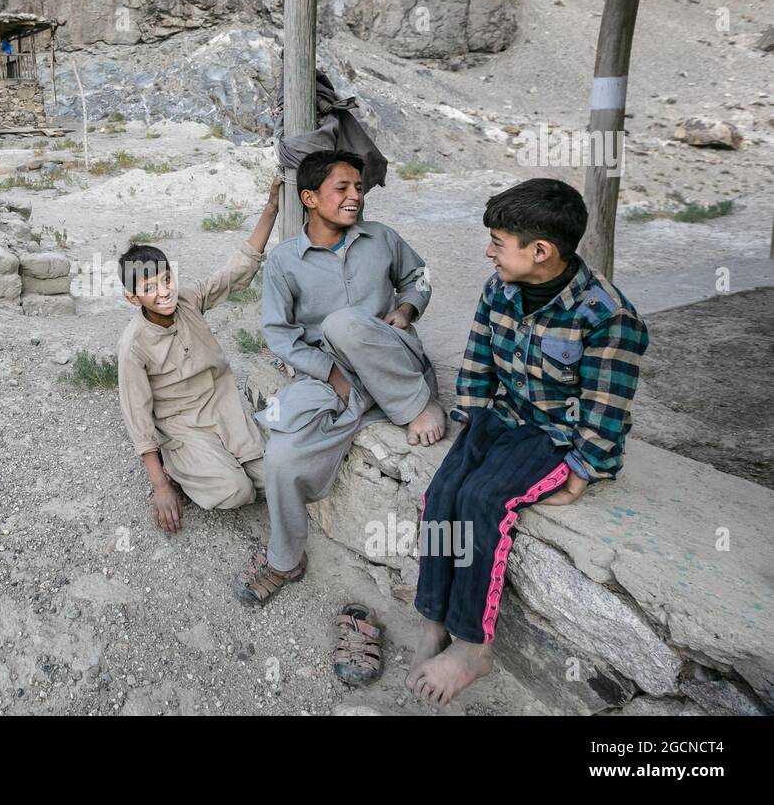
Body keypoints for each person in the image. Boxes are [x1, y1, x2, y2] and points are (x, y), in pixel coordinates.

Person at [407, 178, 649, 706]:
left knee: (482, 501)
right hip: (505, 419)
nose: (488, 251)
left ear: (540, 251)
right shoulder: (499, 289)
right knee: (443, 492)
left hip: (560, 435)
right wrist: (470, 420)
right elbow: (478, 359)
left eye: (498, 241)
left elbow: (607, 408)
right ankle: (434, 617)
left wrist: (583, 471)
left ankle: (473, 645)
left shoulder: (609, 317)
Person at [238, 150, 444, 605]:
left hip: (390, 354)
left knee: (344, 323)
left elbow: (420, 276)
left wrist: (406, 309)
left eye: (359, 188)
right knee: (282, 456)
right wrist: (330, 373)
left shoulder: (383, 238)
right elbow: (280, 334)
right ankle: (284, 559)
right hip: (333, 373)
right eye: (343, 188)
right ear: (310, 198)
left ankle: (417, 404)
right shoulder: (284, 262)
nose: (355, 196)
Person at [116, 177, 282, 532]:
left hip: (222, 404)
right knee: (236, 491)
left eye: (165, 279)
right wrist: (160, 484)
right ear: (133, 298)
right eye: (148, 288)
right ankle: (179, 466)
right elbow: (137, 416)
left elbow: (235, 271)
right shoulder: (134, 345)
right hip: (182, 423)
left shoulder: (188, 299)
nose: (163, 292)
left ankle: (217, 462)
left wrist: (271, 209)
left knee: (272, 480)